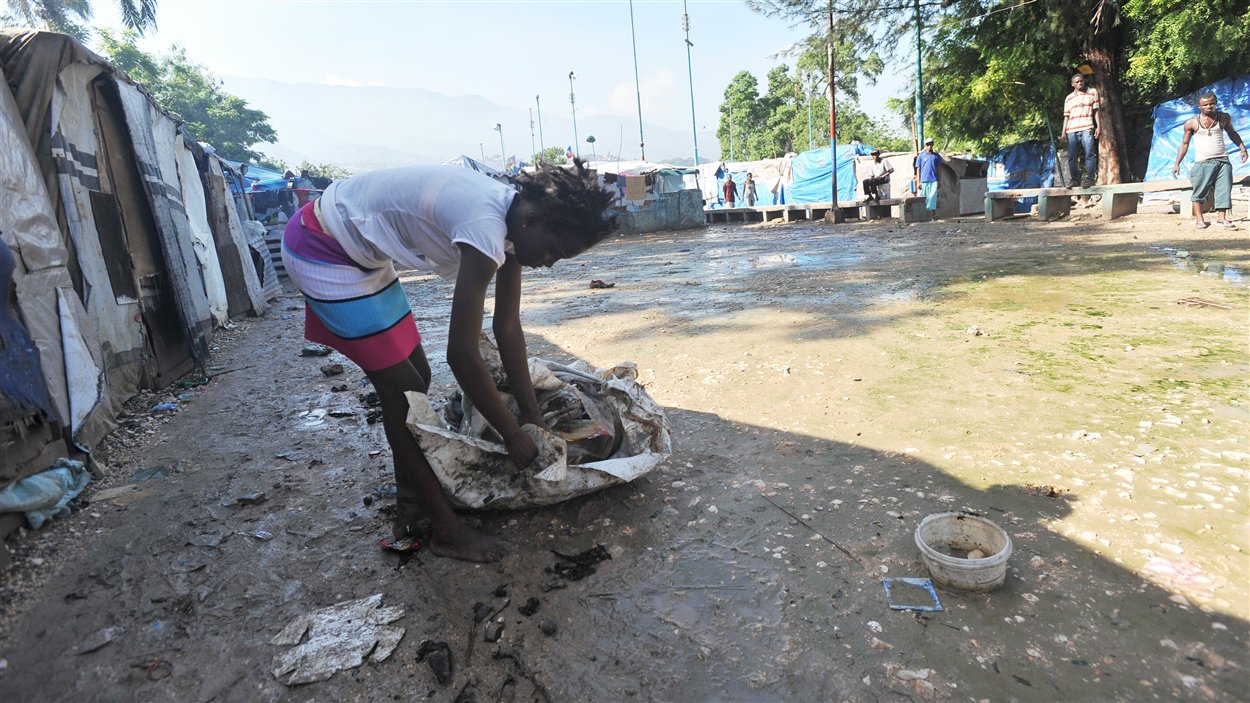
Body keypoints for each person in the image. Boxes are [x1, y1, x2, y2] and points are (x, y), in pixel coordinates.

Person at [281, 159, 617, 562]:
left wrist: (534, 417)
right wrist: (512, 434)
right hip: (321, 248)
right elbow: (460, 353)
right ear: (531, 220)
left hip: (363, 255)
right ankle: (446, 531)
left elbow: (507, 329)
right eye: (553, 251)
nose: (550, 262)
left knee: (416, 378)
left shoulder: (515, 223)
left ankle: (413, 503)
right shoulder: (485, 227)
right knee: (404, 396)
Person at [1172, 93, 1248, 230]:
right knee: (1199, 192)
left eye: (1211, 104)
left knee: (1224, 190)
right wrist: (1177, 163)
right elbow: (1184, 144)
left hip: (1223, 160)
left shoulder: (1223, 118)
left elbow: (1232, 133)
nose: (1208, 107)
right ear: (1199, 106)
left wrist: (1243, 149)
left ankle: (1222, 219)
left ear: (1216, 103)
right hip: (1203, 162)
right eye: (1205, 105)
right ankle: (1200, 220)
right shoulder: (1192, 123)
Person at [1062, 73, 1101, 188]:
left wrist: (1098, 126)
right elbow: (1066, 116)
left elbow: (1096, 111)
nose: (1080, 83)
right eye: (1077, 82)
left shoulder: (1092, 92)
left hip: (1087, 127)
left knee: (1089, 153)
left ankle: (1090, 179)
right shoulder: (1068, 98)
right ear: (1073, 84)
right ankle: (1074, 180)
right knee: (1072, 156)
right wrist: (1063, 132)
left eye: (1081, 81)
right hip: (1072, 130)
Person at [914, 138, 944, 214]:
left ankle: (933, 214)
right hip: (923, 181)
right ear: (925, 145)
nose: (929, 146)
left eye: (931, 144)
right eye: (928, 144)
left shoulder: (936, 156)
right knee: (922, 198)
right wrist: (918, 182)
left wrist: (940, 181)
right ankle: (923, 214)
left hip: (934, 180)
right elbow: (918, 170)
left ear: (933, 145)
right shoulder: (920, 156)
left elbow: (939, 169)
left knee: (932, 198)